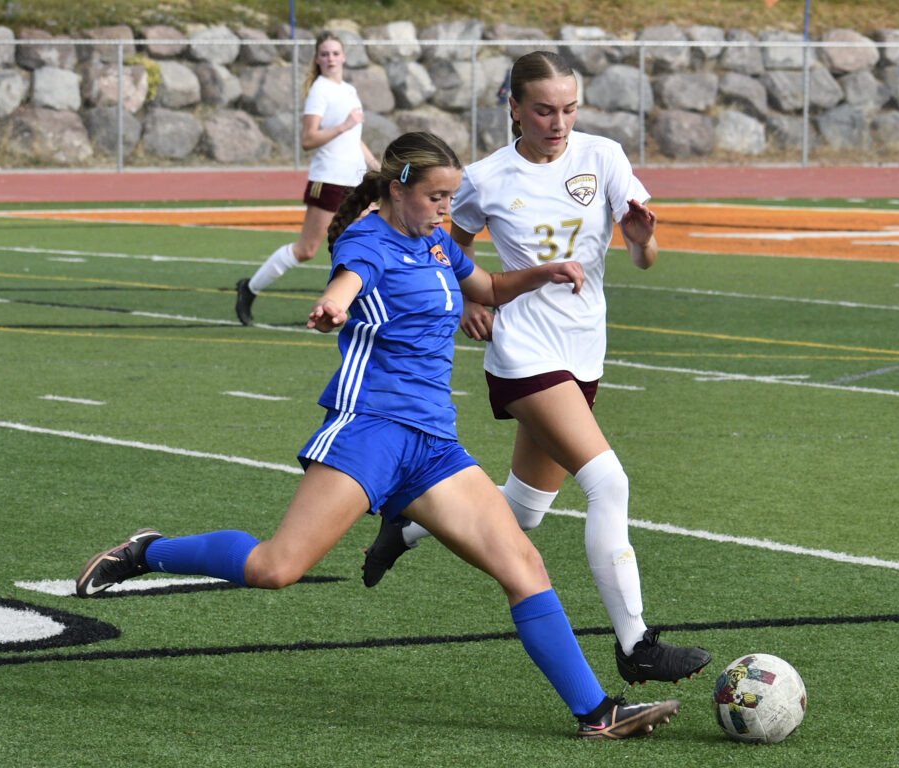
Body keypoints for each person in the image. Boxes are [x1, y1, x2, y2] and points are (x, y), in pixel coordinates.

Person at [77, 132, 679, 740]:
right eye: (435, 197)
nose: (446, 210)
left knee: (523, 564)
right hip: (370, 431)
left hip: (434, 444)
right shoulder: (369, 237)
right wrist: (334, 305)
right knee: (274, 568)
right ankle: (147, 551)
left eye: (450, 198)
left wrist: (540, 273)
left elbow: (488, 290)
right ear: (398, 190)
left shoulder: (438, 242)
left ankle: (597, 713)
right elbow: (351, 277)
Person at [361, 52, 712, 687]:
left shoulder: (602, 157)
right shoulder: (487, 177)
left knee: (522, 512)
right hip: (524, 354)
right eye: (545, 110)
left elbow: (646, 258)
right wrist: (471, 297)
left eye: (570, 108)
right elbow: (449, 245)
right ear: (514, 106)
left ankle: (409, 524)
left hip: (583, 350)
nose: (559, 122)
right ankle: (636, 646)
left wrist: (638, 237)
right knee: (609, 482)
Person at [234, 30, 380, 326]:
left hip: (354, 179)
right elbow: (308, 138)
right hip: (328, 179)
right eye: (324, 54)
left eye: (335, 53)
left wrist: (376, 167)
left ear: (344, 57)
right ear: (317, 58)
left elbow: (355, 137)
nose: (330, 59)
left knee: (361, 241)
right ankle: (249, 289)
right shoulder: (320, 90)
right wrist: (343, 125)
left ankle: (360, 309)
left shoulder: (349, 89)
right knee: (307, 249)